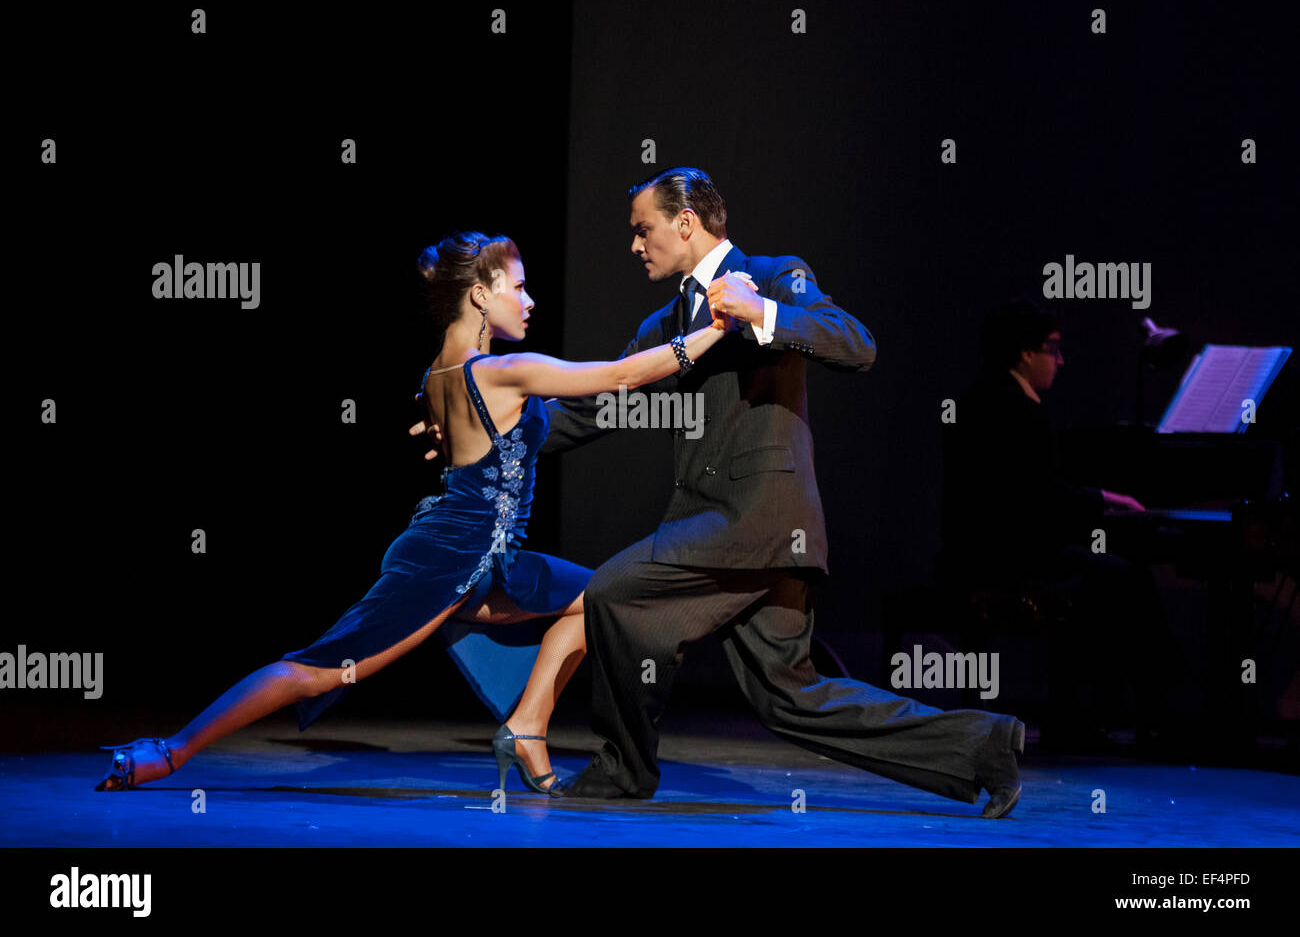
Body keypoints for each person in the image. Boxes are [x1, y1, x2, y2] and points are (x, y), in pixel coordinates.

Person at [415, 168, 1027, 817]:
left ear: (686, 223)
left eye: (642, 229)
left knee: (614, 592)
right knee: (790, 698)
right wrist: (481, 435)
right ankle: (985, 746)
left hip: (758, 517)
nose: (634, 244)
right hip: (728, 529)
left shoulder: (772, 274)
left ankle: (624, 769)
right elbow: (596, 407)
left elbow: (857, 344)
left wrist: (760, 312)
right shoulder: (669, 320)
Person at [92, 230, 739, 795]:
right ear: (480, 294)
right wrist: (713, 328)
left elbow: (472, 440)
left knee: (606, 596)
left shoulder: (440, 372)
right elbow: (621, 377)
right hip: (448, 559)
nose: (530, 299)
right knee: (316, 671)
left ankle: (527, 729)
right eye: (518, 285)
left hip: (493, 562)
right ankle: (168, 751)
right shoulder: (499, 370)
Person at [938, 299, 1175, 747]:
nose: (1060, 361)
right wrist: (1105, 499)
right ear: (1026, 353)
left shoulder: (983, 397)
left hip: (979, 549)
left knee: (1107, 577)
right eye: (1054, 349)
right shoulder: (1013, 407)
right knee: (1121, 581)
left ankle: (1090, 716)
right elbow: (1036, 496)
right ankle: (1128, 717)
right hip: (1002, 558)